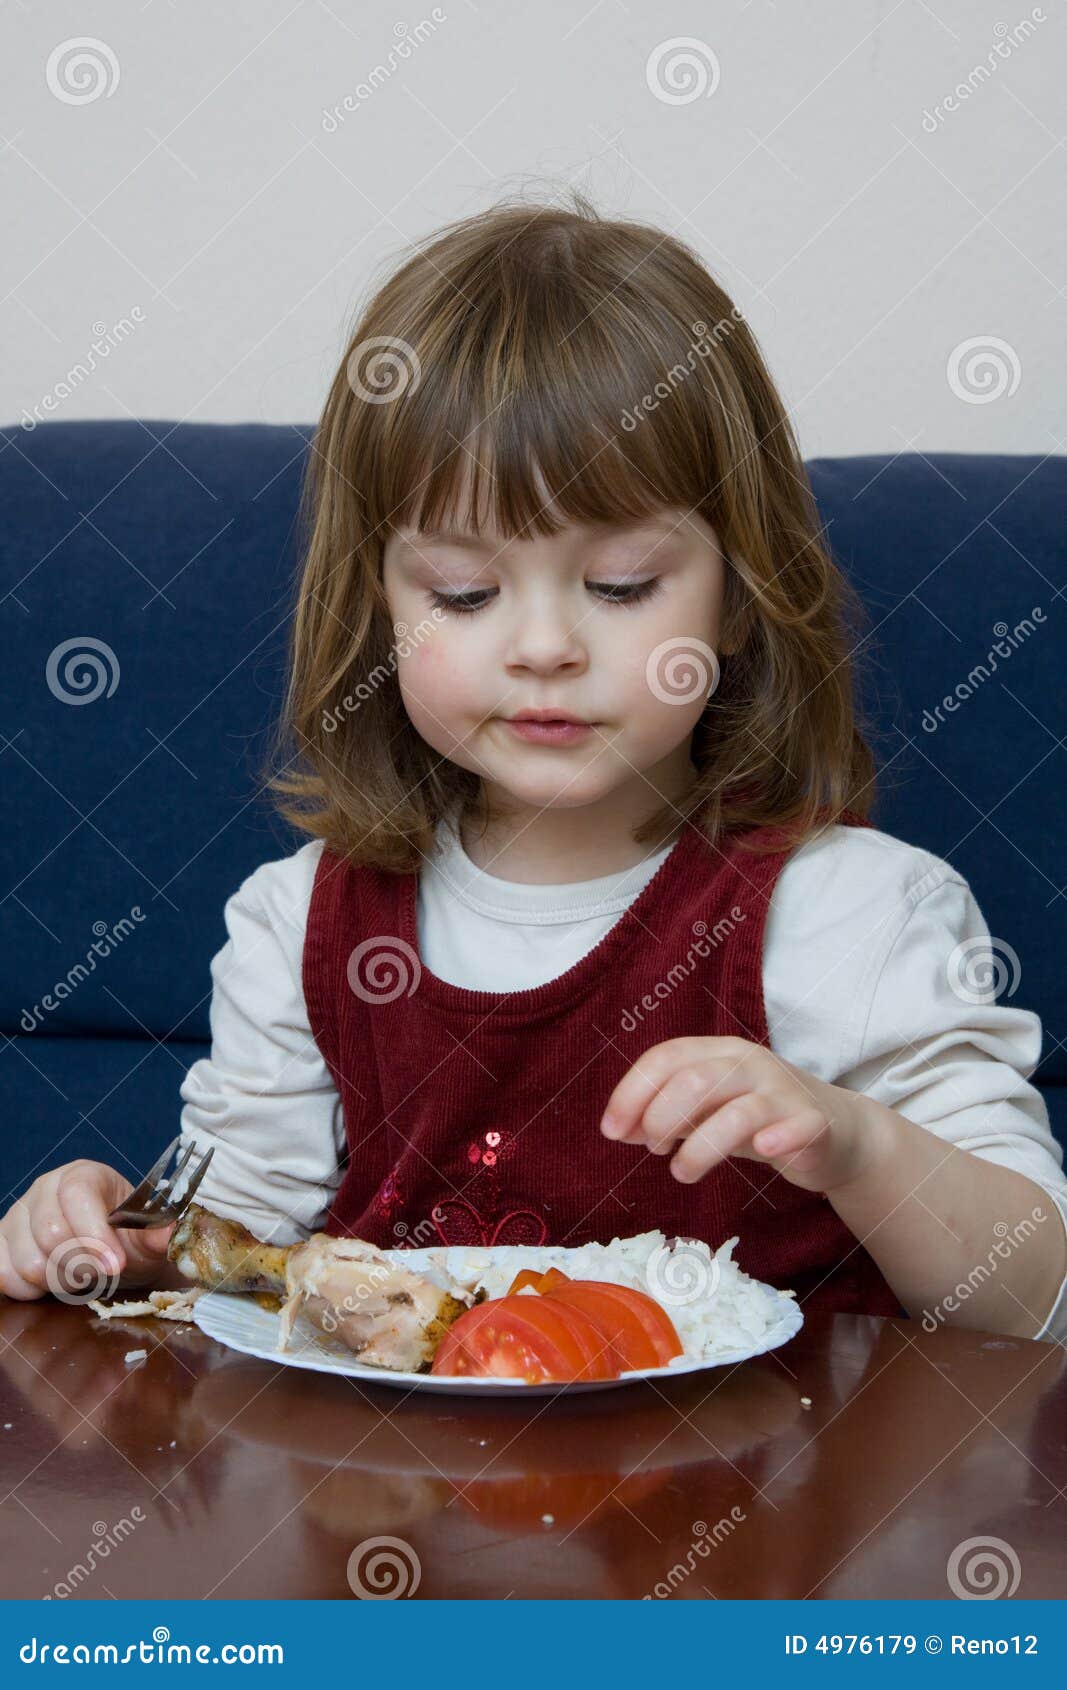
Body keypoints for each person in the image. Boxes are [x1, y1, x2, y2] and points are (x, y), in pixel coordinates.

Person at [3, 193, 1066, 1342]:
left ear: (739, 598)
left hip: (764, 1510)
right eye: (462, 593)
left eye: (618, 587)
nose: (545, 647)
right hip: (393, 1516)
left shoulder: (852, 913)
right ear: (379, 615)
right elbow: (227, 1264)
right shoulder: (297, 923)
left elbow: (1033, 1305)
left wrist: (855, 1144)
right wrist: (110, 1238)